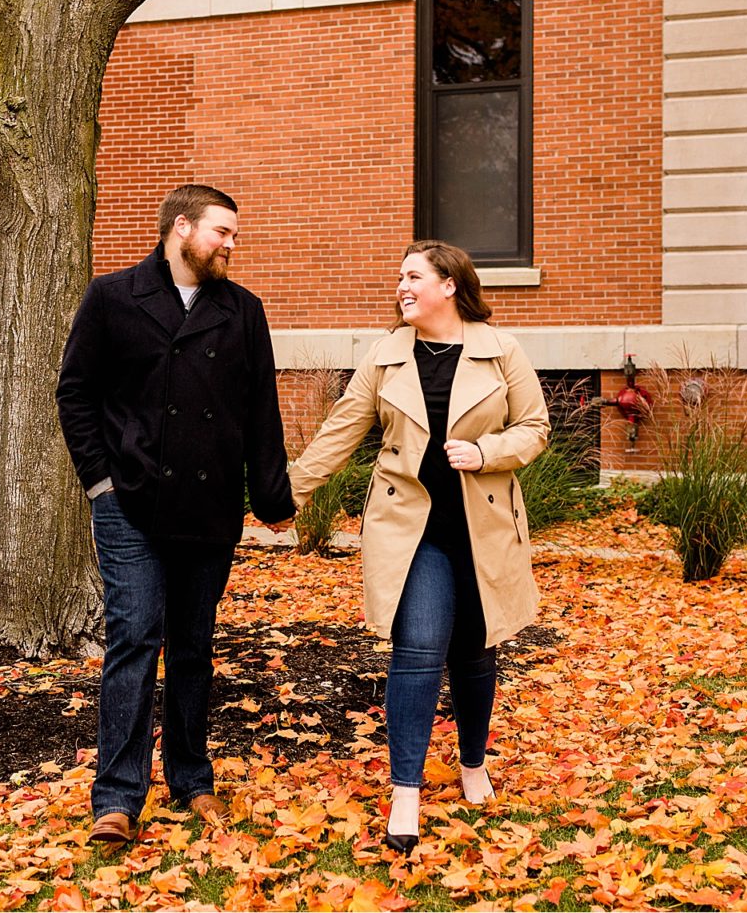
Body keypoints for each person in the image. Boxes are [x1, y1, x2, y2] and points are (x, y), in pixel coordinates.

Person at [288, 240, 550, 853]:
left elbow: (534, 427)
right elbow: (341, 431)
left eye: (413, 276)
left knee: (475, 650)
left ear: (449, 284)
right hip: (413, 528)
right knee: (419, 646)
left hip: (482, 525)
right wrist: (289, 495)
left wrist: (487, 453)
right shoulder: (385, 357)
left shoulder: (500, 349)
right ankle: (405, 791)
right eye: (399, 277)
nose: (401, 286)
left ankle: (473, 762)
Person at [57, 184, 295, 846]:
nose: (231, 244)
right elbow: (74, 392)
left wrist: (272, 498)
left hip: (210, 505)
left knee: (193, 646)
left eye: (235, 235)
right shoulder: (113, 296)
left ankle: (192, 778)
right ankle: (117, 795)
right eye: (223, 231)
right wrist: (99, 481)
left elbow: (260, 413)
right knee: (134, 636)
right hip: (129, 502)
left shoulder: (243, 310)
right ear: (181, 226)